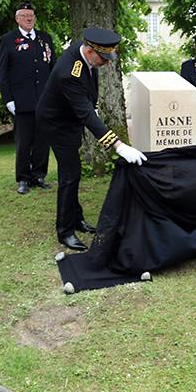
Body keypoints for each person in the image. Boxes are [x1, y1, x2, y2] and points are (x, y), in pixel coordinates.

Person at [36, 27, 147, 251]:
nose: (106, 63)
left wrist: (90, 109)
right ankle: (65, 231)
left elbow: (87, 102)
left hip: (71, 118)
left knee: (73, 172)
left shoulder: (86, 57)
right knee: (70, 175)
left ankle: (76, 218)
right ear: (89, 51)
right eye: (103, 58)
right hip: (57, 123)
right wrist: (119, 145)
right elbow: (85, 113)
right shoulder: (70, 72)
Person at [0, 1, 55, 194]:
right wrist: (8, 99)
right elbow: (2, 73)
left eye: (31, 15)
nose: (29, 18)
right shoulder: (8, 40)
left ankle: (39, 175)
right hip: (21, 101)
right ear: (17, 18)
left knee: (42, 140)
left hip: (44, 100)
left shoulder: (45, 39)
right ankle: (23, 178)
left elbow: (52, 69)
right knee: (23, 141)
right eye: (24, 15)